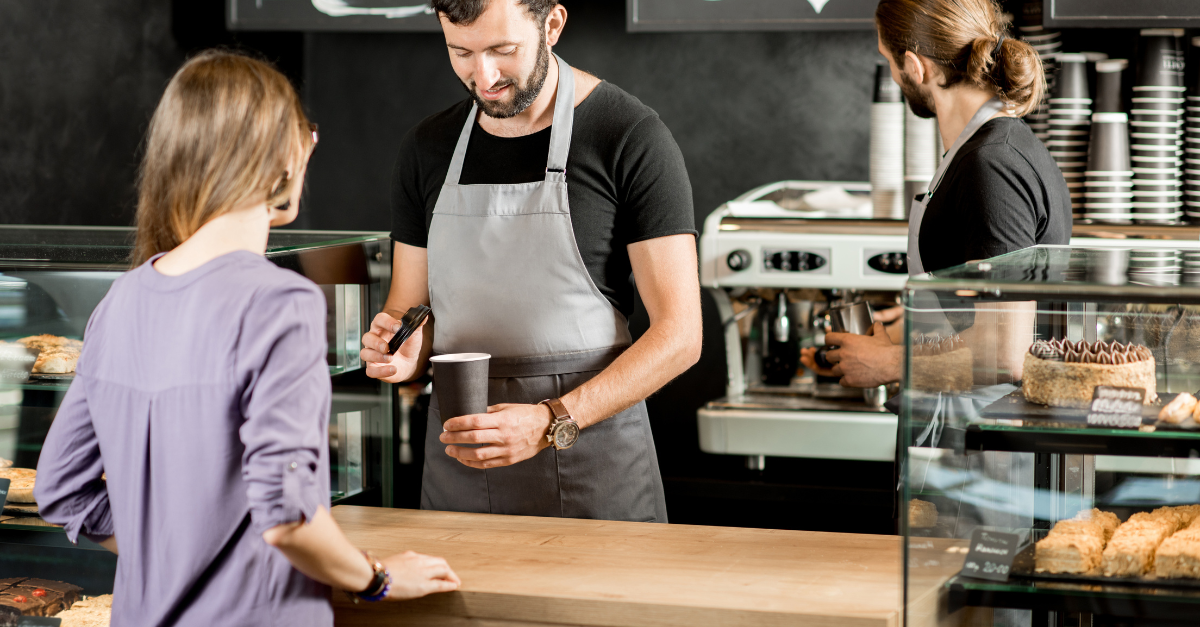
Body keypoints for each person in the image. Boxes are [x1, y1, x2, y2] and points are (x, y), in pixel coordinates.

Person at [34, 51, 459, 626]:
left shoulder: (120, 301)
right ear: (282, 160)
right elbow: (288, 519)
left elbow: (62, 490)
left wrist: (173, 558)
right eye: (305, 138)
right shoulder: (280, 303)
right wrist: (378, 577)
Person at [360, 0, 702, 522]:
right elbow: (412, 310)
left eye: (503, 50)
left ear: (553, 25)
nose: (484, 75)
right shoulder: (426, 148)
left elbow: (680, 337)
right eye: (461, 53)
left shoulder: (629, 136)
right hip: (462, 459)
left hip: (592, 461)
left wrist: (551, 420)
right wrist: (402, 352)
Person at [801, 0, 1070, 387]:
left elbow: (1006, 352)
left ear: (915, 66)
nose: (894, 75)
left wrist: (892, 363)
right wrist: (907, 327)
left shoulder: (992, 166)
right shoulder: (984, 150)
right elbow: (978, 309)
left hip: (987, 439)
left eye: (888, 60)